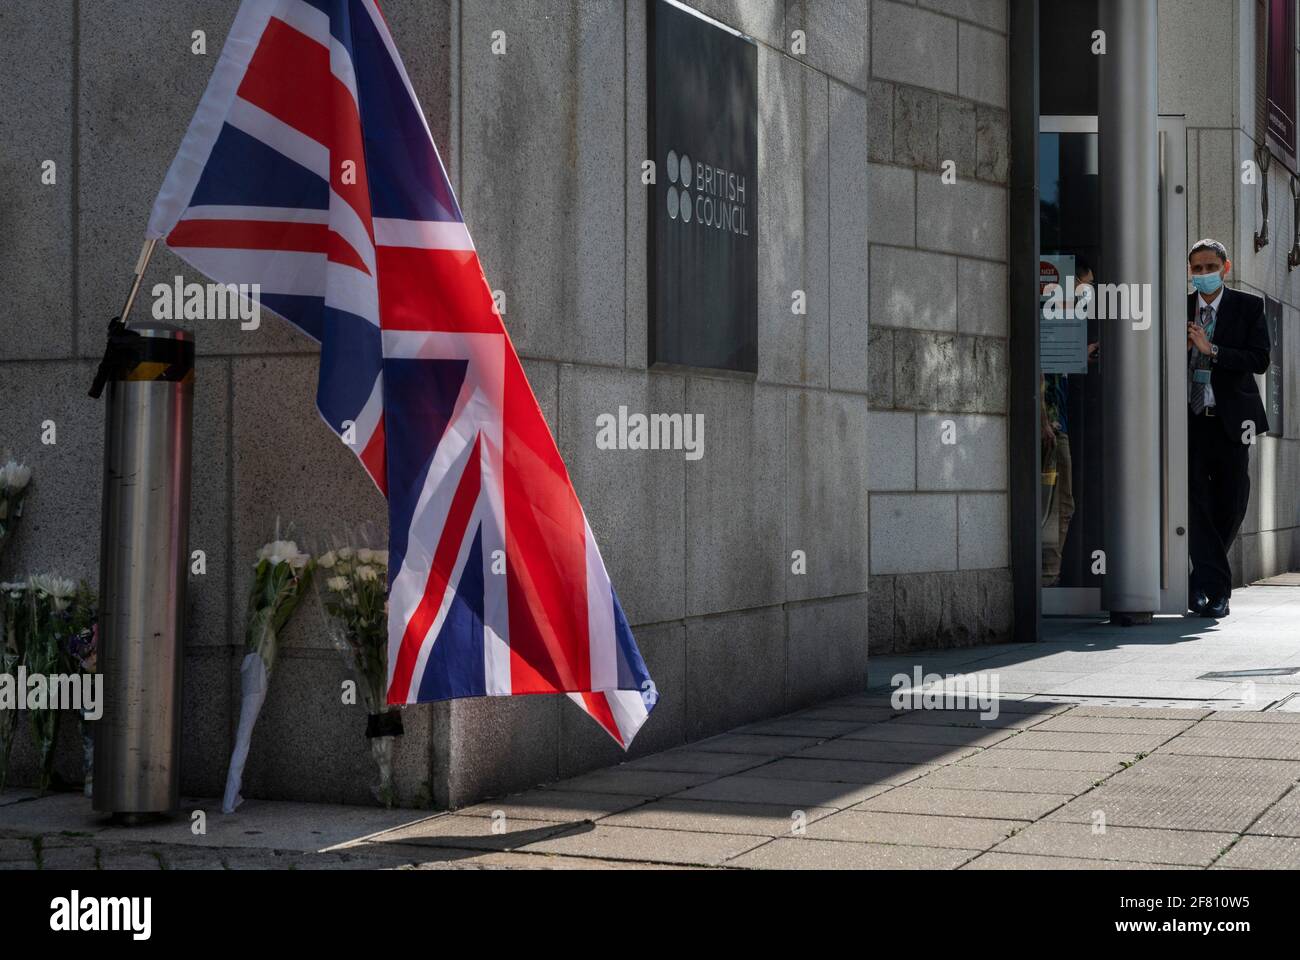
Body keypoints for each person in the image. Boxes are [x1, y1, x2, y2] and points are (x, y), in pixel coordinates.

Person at [1185, 238, 1271, 618]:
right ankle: (1218, 592)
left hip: (1233, 420)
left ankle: (1199, 583)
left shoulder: (1248, 307)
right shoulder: (1179, 308)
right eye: (1197, 269)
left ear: (1226, 267)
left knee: (1232, 501)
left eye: (1209, 267)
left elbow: (1260, 359)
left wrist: (1212, 350)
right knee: (1195, 503)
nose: (1203, 275)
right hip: (1188, 419)